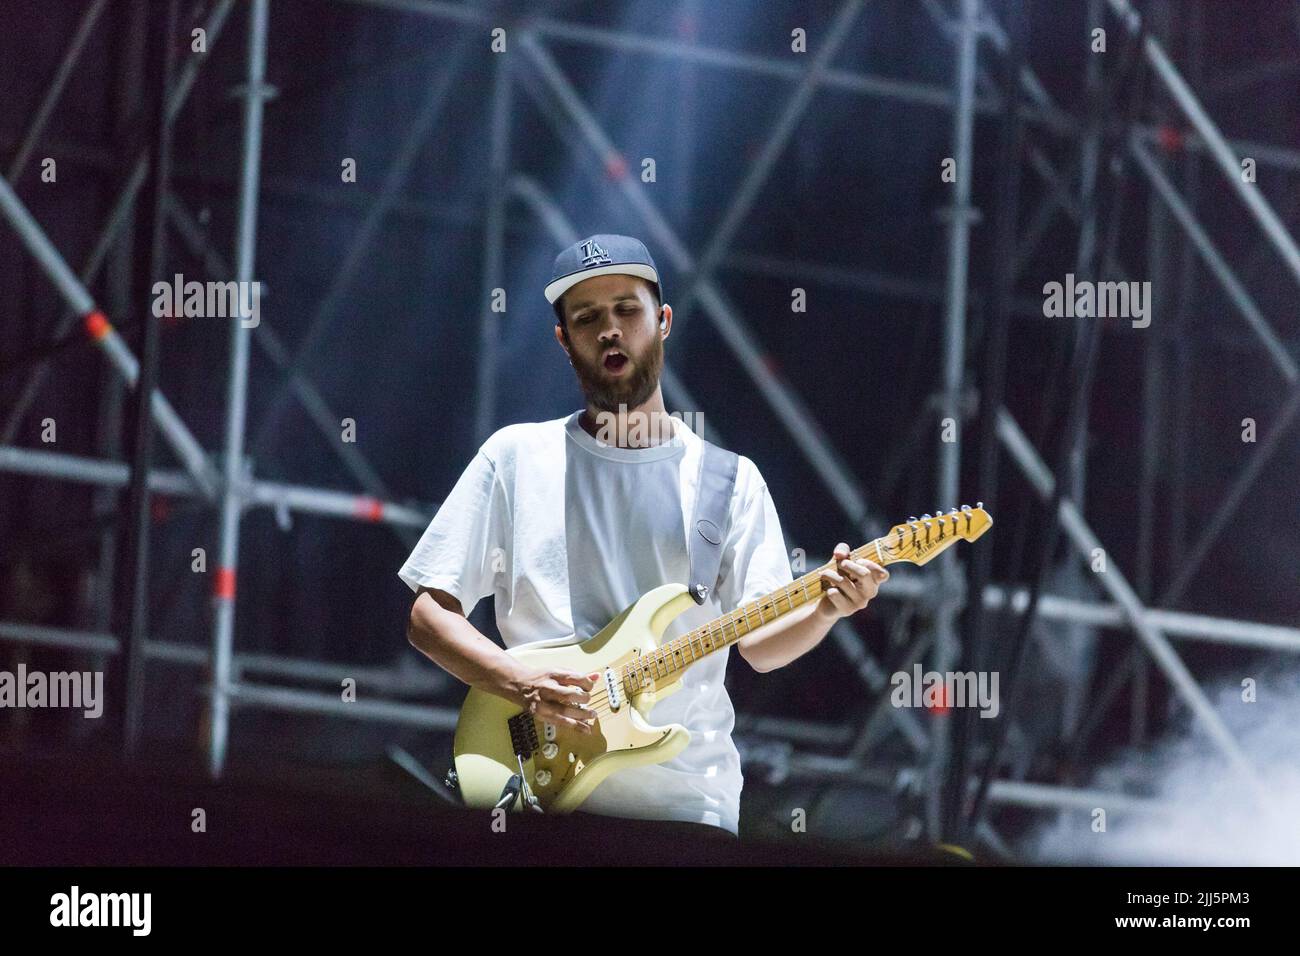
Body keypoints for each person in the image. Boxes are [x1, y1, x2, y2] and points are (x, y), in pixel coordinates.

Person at [401, 233, 888, 838]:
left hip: (688, 806)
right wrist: (515, 681)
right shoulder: (515, 457)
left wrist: (827, 610)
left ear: (662, 321)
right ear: (564, 339)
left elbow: (760, 647)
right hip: (537, 792)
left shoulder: (728, 481)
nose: (610, 330)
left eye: (627, 310)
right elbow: (428, 616)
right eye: (587, 317)